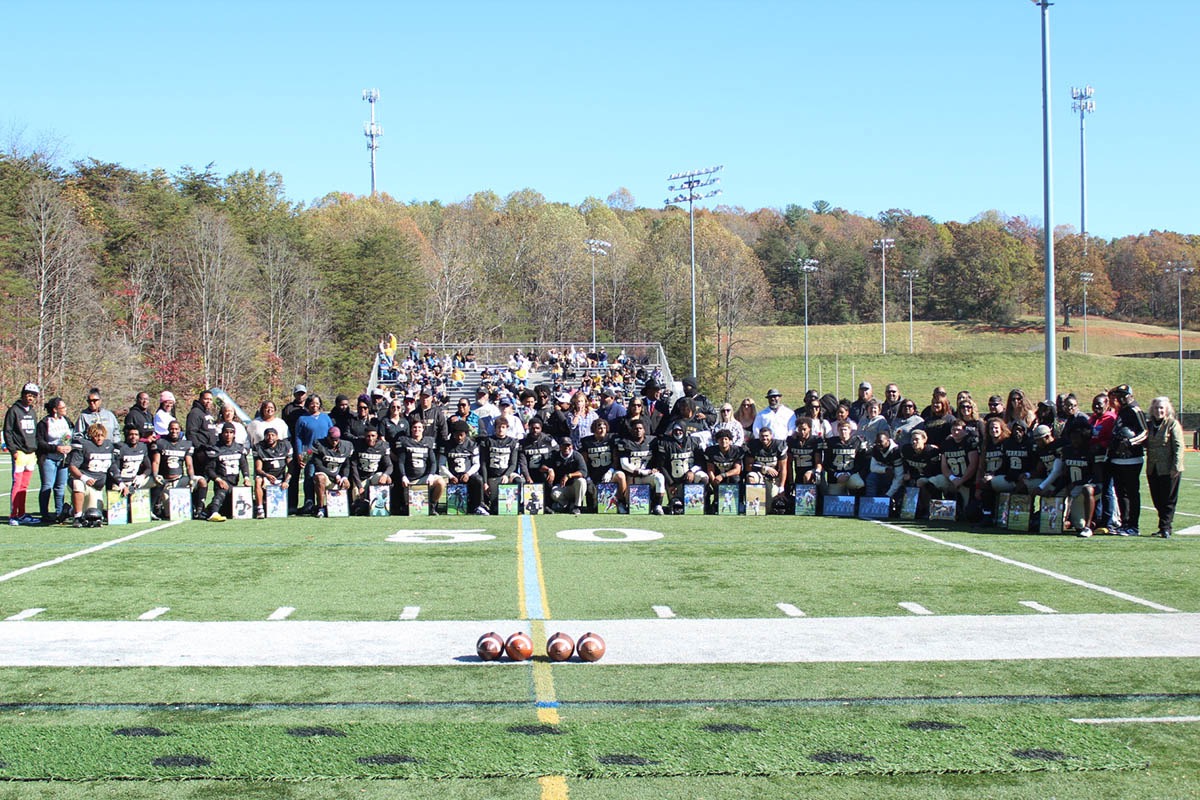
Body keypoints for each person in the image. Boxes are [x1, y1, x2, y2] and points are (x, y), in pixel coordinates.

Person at [1106, 384, 1148, 536]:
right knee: (1120, 492)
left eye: (1123, 395)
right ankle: (1124, 523)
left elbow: (1144, 431)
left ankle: (1133, 525)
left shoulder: (1134, 410)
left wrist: (1130, 442)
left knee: (1131, 492)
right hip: (1117, 458)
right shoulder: (1121, 410)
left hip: (1132, 458)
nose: (1121, 398)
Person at [1145, 396, 1184, 538]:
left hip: (1169, 468)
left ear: (1167, 409)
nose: (1159, 410)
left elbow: (1179, 447)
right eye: (1156, 407)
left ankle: (1166, 527)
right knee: (1157, 499)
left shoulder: (1172, 424)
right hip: (1153, 468)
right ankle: (1162, 526)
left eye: (1161, 408)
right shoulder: (1148, 425)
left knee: (1168, 499)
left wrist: (1176, 467)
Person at [5, 382, 42, 525]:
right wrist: (13, 450)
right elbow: (7, 432)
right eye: (28, 394)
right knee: (17, 484)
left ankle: (22, 514)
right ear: (23, 394)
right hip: (19, 452)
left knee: (24, 486)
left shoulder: (32, 412)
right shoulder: (14, 410)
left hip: (30, 453)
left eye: (33, 396)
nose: (31, 398)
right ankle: (13, 515)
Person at [653, 420, 708, 513]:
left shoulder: (694, 441)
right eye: (675, 430)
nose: (678, 432)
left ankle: (703, 503)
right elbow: (661, 465)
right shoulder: (665, 444)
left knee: (703, 477)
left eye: (680, 430)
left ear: (685, 430)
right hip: (674, 481)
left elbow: (701, 461)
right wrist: (670, 483)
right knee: (677, 506)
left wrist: (692, 471)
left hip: (690, 478)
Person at [613, 418, 665, 514]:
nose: (638, 431)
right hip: (632, 477)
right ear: (631, 430)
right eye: (635, 429)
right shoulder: (624, 442)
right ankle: (623, 503)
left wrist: (656, 468)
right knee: (631, 503)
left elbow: (660, 457)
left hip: (647, 476)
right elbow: (624, 464)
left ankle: (658, 505)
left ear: (644, 430)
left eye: (640, 428)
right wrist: (641, 471)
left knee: (660, 477)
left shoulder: (652, 441)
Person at [67, 422, 115, 526]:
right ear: (90, 435)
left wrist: (120, 482)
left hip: (97, 487)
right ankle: (77, 517)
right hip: (83, 482)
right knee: (77, 483)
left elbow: (113, 466)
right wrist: (84, 478)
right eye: (96, 435)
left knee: (93, 514)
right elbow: (72, 466)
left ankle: (68, 511)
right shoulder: (84, 445)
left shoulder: (109, 446)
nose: (99, 438)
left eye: (102, 435)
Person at [393, 419, 445, 514]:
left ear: (423, 429)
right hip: (410, 481)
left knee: (441, 482)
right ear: (411, 429)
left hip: (423, 479)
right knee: (412, 511)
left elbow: (433, 462)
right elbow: (400, 462)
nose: (417, 429)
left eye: (419, 427)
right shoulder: (405, 441)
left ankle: (432, 507)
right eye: (415, 427)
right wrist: (403, 476)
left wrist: (431, 475)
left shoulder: (428, 441)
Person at [36, 396, 74, 523]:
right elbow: (39, 442)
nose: (65, 409)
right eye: (62, 407)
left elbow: (73, 437)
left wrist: (70, 447)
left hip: (63, 460)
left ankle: (59, 514)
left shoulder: (67, 421)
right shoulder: (44, 422)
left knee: (60, 487)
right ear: (54, 409)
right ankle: (45, 514)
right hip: (48, 458)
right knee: (47, 485)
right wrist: (55, 448)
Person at [293, 394, 333, 513]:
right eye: (312, 403)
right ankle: (309, 502)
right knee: (309, 476)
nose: (314, 405)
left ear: (320, 404)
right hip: (309, 451)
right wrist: (299, 453)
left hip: (324, 452)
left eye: (317, 403)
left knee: (324, 476)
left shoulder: (326, 418)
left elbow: (332, 433)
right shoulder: (302, 419)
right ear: (308, 404)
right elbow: (298, 437)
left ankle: (324, 503)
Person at [203, 423, 250, 522]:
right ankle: (213, 513)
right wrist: (218, 480)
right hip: (222, 482)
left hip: (234, 484)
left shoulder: (239, 448)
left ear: (234, 434)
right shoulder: (216, 449)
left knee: (229, 510)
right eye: (226, 432)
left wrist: (246, 477)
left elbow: (243, 464)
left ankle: (209, 509)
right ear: (222, 433)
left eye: (231, 432)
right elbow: (209, 469)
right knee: (221, 494)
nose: (228, 435)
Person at [930, 419, 980, 513]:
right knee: (931, 482)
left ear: (965, 430)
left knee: (969, 512)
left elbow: (973, 465)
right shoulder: (947, 444)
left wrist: (962, 480)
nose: (955, 432)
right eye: (953, 430)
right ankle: (936, 509)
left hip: (967, 481)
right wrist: (953, 478)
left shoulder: (970, 442)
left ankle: (959, 508)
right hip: (952, 479)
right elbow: (944, 467)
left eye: (958, 430)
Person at [475, 416, 523, 513]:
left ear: (507, 428)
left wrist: (506, 475)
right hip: (493, 477)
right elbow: (483, 463)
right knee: (495, 509)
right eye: (499, 427)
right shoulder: (488, 441)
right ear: (495, 428)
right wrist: (485, 482)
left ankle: (518, 505)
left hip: (507, 475)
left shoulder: (512, 442)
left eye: (503, 427)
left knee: (518, 480)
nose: (501, 430)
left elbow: (513, 464)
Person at [151, 419, 195, 519]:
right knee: (169, 514)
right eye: (171, 429)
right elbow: (156, 461)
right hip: (166, 480)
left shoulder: (186, 444)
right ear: (168, 430)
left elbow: (189, 464)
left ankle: (198, 509)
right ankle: (157, 506)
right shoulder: (161, 442)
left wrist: (191, 478)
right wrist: (155, 475)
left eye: (176, 429)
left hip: (180, 479)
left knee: (201, 481)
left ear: (180, 430)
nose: (174, 431)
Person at [186, 390, 220, 513]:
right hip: (200, 453)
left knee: (207, 479)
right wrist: (199, 448)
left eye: (210, 399)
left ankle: (201, 505)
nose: (208, 401)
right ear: (200, 399)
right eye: (206, 399)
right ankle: (196, 506)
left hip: (210, 451)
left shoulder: (207, 414)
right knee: (200, 479)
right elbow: (191, 433)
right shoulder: (195, 413)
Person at [440, 420, 483, 514]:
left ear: (465, 434)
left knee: (478, 479)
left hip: (468, 475)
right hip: (454, 476)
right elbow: (441, 464)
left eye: (461, 435)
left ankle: (477, 506)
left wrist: (468, 474)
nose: (459, 437)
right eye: (456, 435)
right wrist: (450, 476)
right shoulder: (446, 445)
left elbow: (476, 464)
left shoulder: (472, 445)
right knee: (454, 509)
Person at [309, 426, 353, 518]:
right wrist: (335, 475)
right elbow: (319, 466)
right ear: (327, 437)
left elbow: (347, 465)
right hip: (327, 477)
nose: (334, 442)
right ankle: (320, 508)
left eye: (336, 440)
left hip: (338, 479)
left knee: (347, 482)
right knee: (319, 477)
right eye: (332, 439)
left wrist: (344, 477)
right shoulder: (319, 444)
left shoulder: (347, 446)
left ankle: (342, 507)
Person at [349, 427, 393, 509]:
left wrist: (385, 475)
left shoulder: (382, 446)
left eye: (373, 436)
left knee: (387, 479)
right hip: (360, 478)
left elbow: (389, 465)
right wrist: (359, 486)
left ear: (377, 436)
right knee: (358, 505)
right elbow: (353, 467)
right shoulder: (358, 445)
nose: (370, 438)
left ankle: (382, 505)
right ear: (364, 436)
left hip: (373, 477)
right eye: (368, 436)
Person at [253, 427, 291, 518]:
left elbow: (291, 468)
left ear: (277, 437)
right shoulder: (259, 447)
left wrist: (286, 481)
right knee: (258, 480)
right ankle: (260, 509)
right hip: (266, 476)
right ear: (264, 437)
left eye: (273, 435)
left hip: (281, 477)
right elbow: (258, 469)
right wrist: (267, 475)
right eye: (268, 435)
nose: (270, 437)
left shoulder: (285, 445)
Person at [705, 427, 745, 512]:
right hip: (718, 477)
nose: (723, 441)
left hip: (730, 476)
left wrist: (723, 475)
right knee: (711, 481)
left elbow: (737, 470)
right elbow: (710, 469)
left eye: (726, 439)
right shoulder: (711, 451)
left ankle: (739, 501)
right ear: (717, 440)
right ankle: (714, 502)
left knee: (736, 478)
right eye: (721, 439)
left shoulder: (737, 450)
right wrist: (714, 481)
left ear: (730, 440)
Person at [822, 420, 866, 497]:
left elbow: (860, 462)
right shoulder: (831, 442)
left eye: (845, 429)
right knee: (833, 499)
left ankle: (856, 503)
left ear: (850, 430)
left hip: (850, 474)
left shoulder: (857, 441)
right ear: (838, 430)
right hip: (835, 477)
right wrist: (837, 475)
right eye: (841, 429)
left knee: (859, 484)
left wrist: (849, 473)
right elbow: (826, 463)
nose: (843, 432)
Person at [545, 436, 588, 514]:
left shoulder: (577, 455)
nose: (566, 447)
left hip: (574, 487)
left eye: (568, 445)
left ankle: (577, 507)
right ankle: (567, 505)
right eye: (564, 445)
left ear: (572, 446)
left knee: (581, 481)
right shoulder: (555, 456)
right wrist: (549, 470)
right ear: (560, 446)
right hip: (562, 487)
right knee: (554, 493)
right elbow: (542, 466)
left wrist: (569, 475)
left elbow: (583, 472)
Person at [110, 423, 152, 496]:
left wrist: (142, 476)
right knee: (119, 506)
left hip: (135, 482)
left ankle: (155, 504)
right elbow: (113, 468)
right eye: (131, 434)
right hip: (120, 483)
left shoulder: (142, 447)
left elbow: (148, 468)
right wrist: (121, 484)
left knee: (159, 480)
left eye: (136, 434)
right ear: (127, 435)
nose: (133, 437)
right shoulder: (120, 447)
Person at [863, 429, 904, 501]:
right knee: (871, 477)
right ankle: (869, 502)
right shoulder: (876, 449)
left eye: (881, 442)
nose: (878, 444)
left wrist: (888, 495)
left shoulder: (896, 452)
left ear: (888, 440)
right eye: (876, 442)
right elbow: (872, 468)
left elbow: (899, 477)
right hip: (882, 473)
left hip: (894, 477)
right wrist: (885, 469)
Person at [785, 416, 823, 490]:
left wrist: (816, 472)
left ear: (810, 428)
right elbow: (789, 462)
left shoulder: (815, 440)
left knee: (807, 477)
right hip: (798, 473)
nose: (802, 432)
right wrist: (790, 481)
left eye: (804, 429)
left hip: (812, 471)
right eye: (800, 429)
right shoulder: (792, 440)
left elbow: (818, 462)